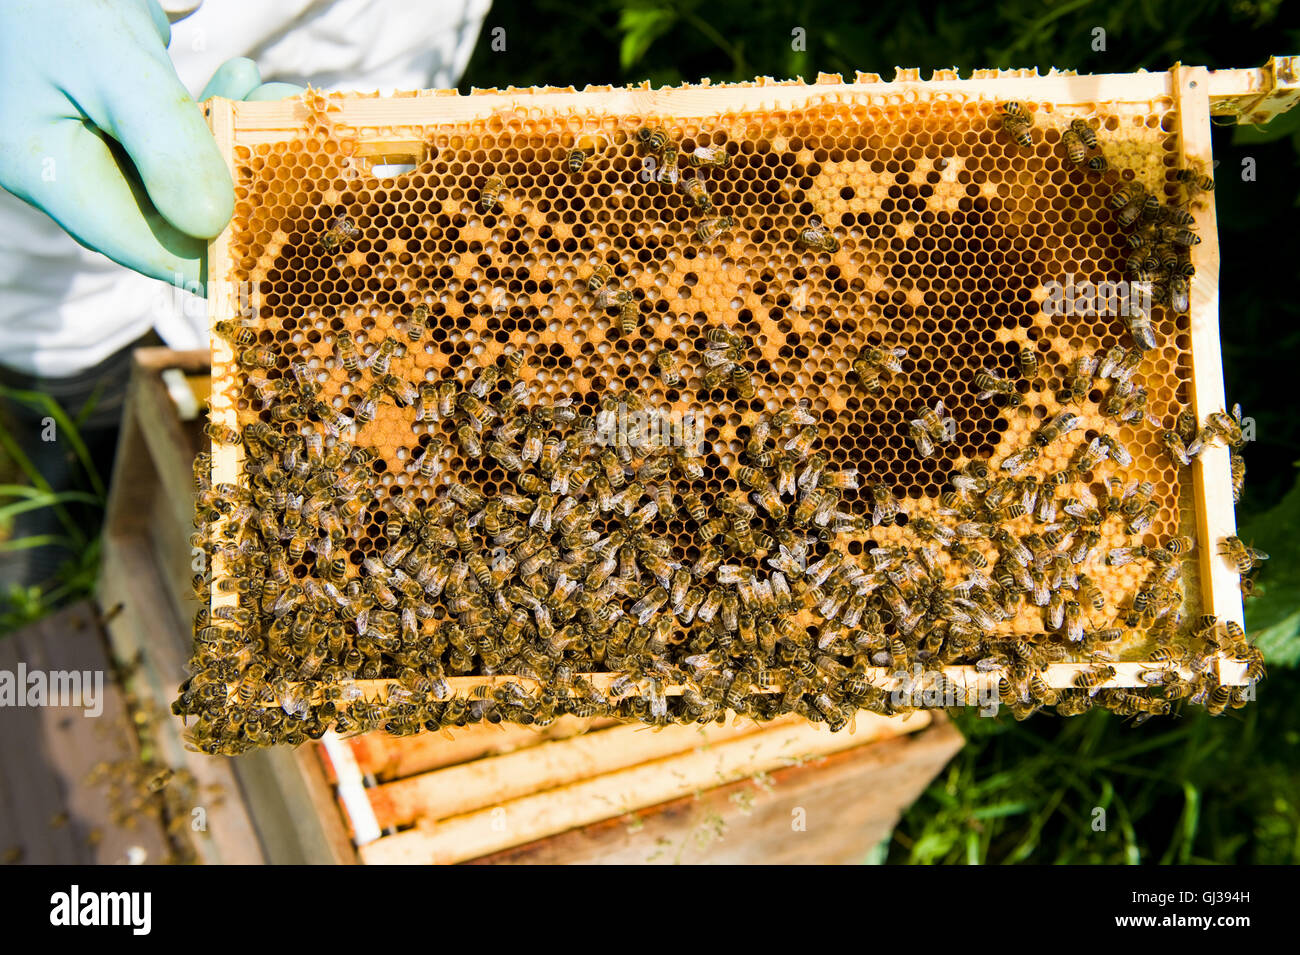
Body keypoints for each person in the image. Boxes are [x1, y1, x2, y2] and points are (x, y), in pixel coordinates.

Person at [0, 0, 490, 589]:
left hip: (379, 30)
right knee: (67, 298)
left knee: (342, 241)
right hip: (92, 56)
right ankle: (70, 482)